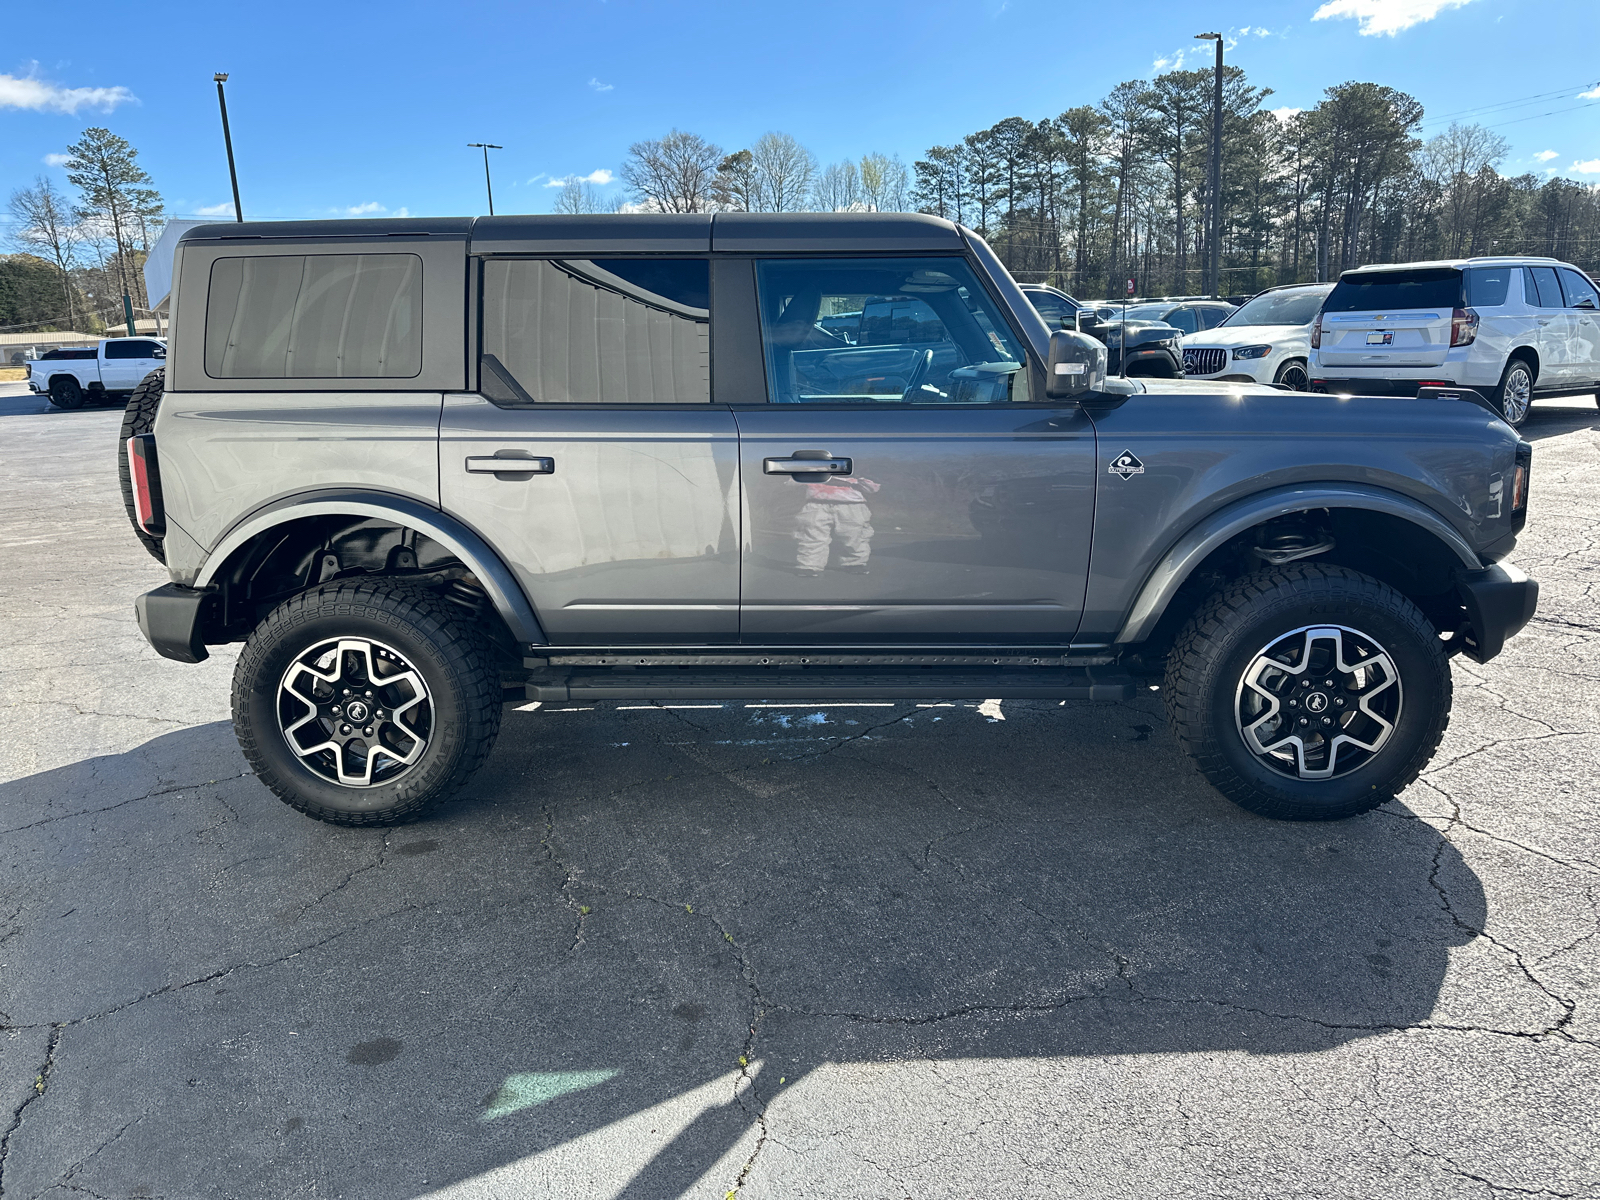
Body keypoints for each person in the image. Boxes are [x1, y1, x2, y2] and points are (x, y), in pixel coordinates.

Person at [794, 473, 880, 576]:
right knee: (811, 535)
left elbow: (873, 488)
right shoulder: (813, 466)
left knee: (854, 536)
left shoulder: (856, 469)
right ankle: (808, 565)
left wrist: (855, 477)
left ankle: (855, 563)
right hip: (815, 503)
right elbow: (790, 482)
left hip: (852, 505)